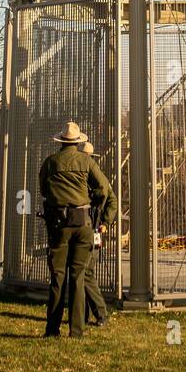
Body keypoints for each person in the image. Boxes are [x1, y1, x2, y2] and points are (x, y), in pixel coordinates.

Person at [39, 121, 114, 340]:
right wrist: (92, 202)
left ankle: (52, 329)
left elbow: (43, 188)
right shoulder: (86, 162)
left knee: (57, 277)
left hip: (58, 225)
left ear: (61, 141)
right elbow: (102, 188)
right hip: (82, 224)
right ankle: (76, 330)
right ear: (78, 141)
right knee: (78, 276)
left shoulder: (50, 162)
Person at [80, 140, 116, 328]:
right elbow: (112, 201)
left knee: (85, 271)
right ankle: (83, 316)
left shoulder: (95, 178)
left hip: (92, 227)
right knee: (84, 271)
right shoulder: (98, 177)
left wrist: (105, 223)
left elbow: (112, 201)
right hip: (87, 227)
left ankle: (100, 313)